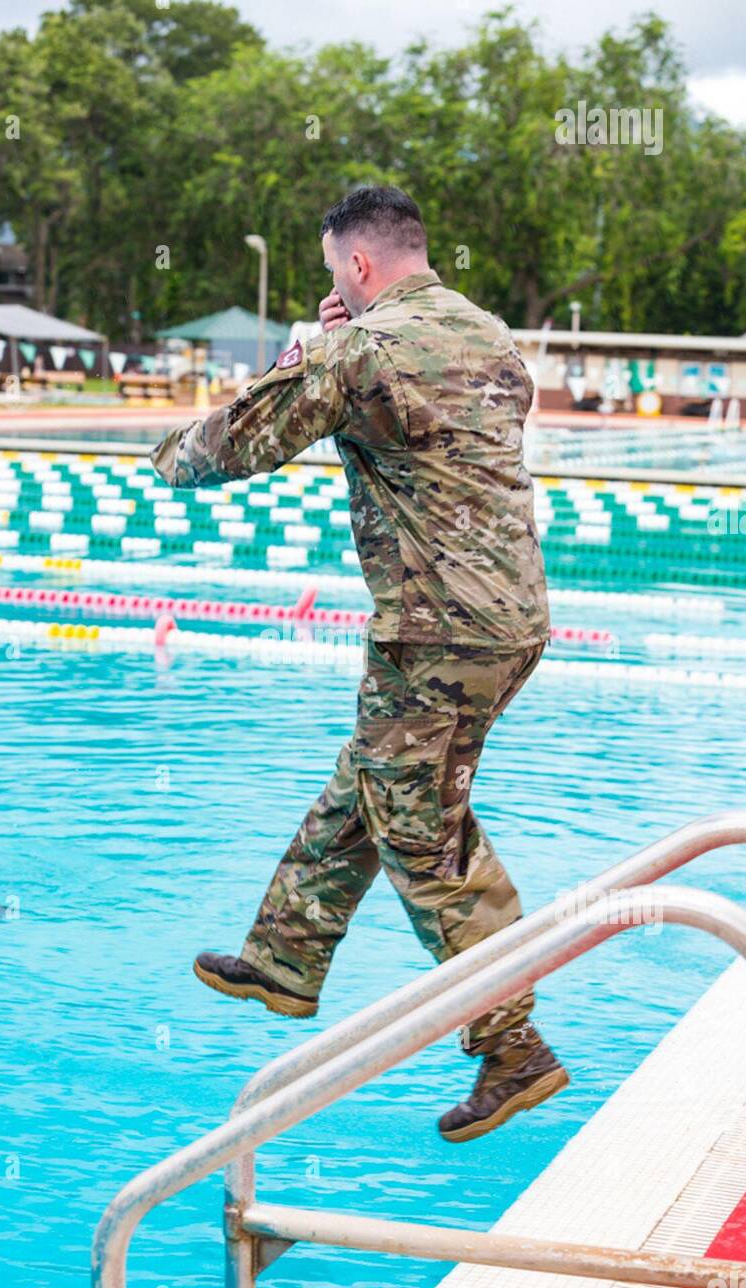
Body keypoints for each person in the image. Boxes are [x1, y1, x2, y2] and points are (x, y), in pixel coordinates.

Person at [149, 185, 569, 1143]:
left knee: (422, 828)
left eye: (337, 271)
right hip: (512, 623)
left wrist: (187, 438)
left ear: (358, 267)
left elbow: (232, 445)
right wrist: (343, 341)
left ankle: (513, 1047)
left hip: (434, 629)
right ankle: (286, 956)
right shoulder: (493, 340)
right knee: (374, 782)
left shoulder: (357, 349)